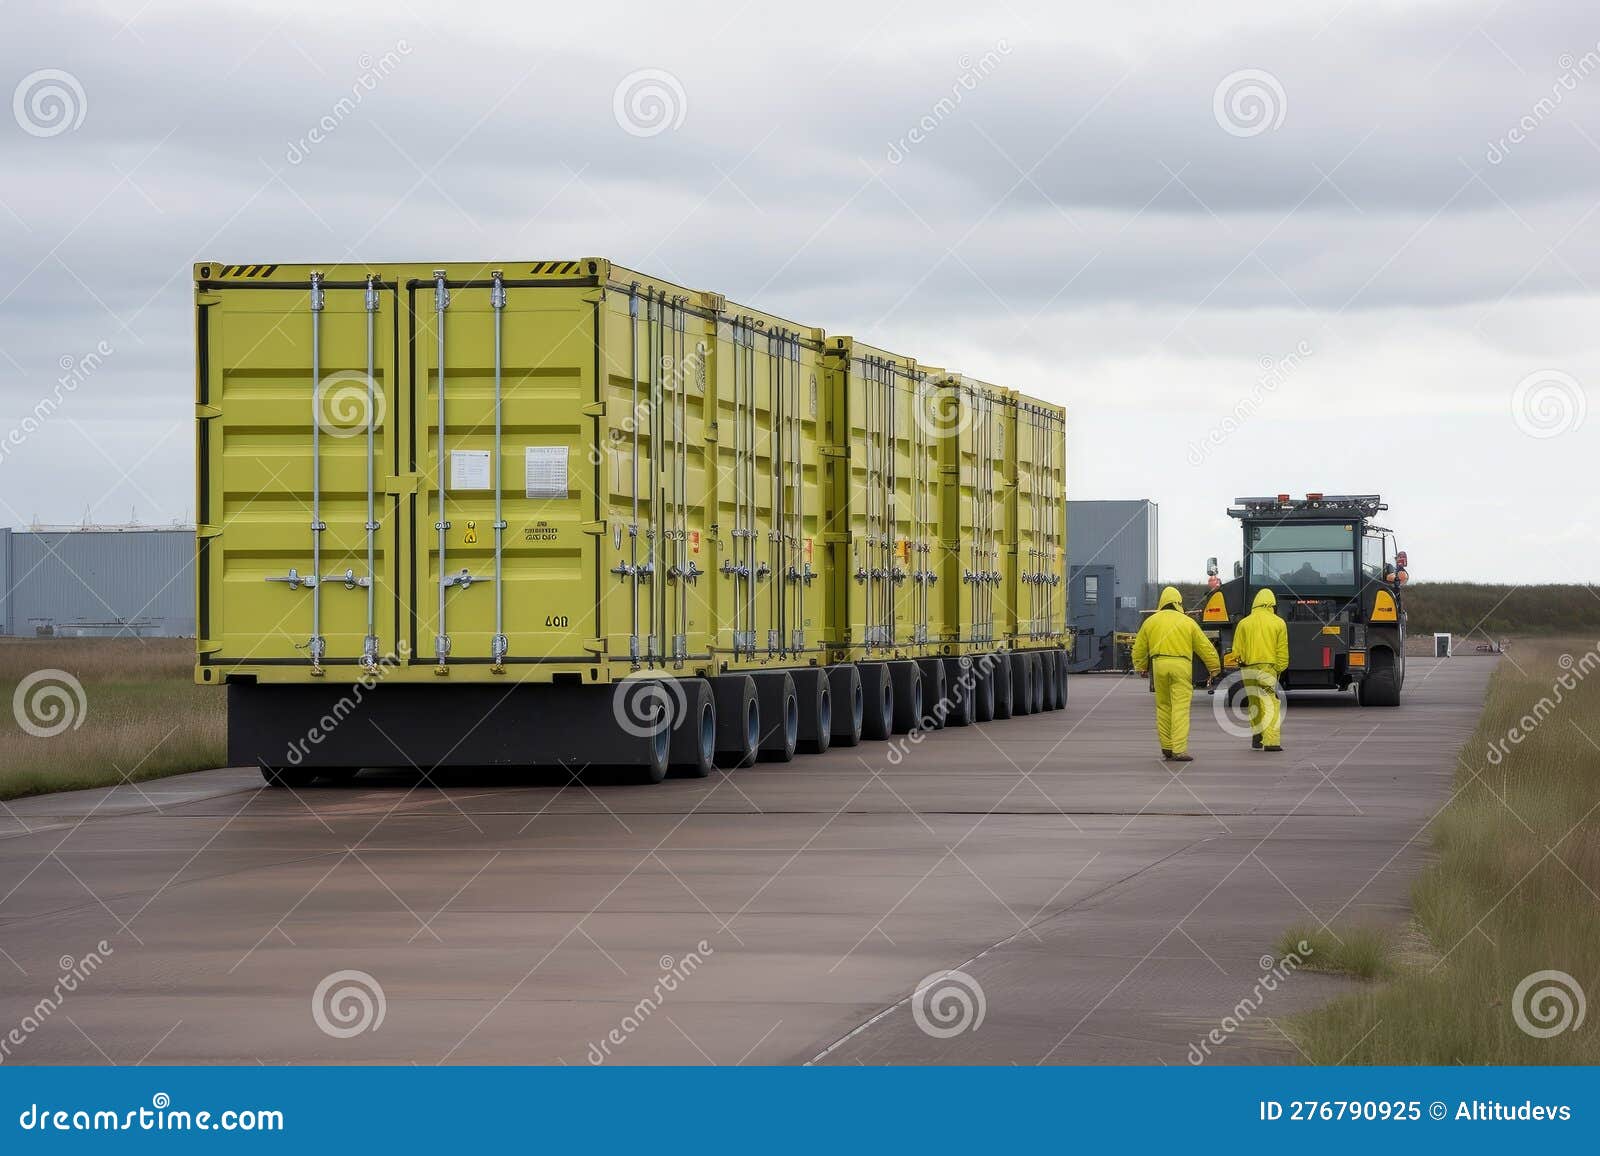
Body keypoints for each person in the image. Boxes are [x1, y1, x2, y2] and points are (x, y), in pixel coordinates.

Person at [1132, 586, 1221, 763]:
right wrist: (1214, 669)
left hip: (1159, 665)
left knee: (1163, 707)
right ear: (1179, 602)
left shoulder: (1151, 622)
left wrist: (1141, 666)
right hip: (1181, 665)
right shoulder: (1187, 622)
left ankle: (1167, 747)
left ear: (1162, 602)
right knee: (1180, 707)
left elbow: (1139, 647)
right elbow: (1205, 647)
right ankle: (1179, 750)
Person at [1231, 588, 1289, 752]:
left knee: (1254, 702)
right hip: (1267, 668)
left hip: (1247, 668)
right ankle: (1271, 742)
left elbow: (1236, 651)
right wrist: (1278, 669)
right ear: (1272, 604)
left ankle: (1257, 738)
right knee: (1270, 702)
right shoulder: (1279, 623)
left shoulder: (1244, 623)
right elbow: (1282, 651)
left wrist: (1241, 662)